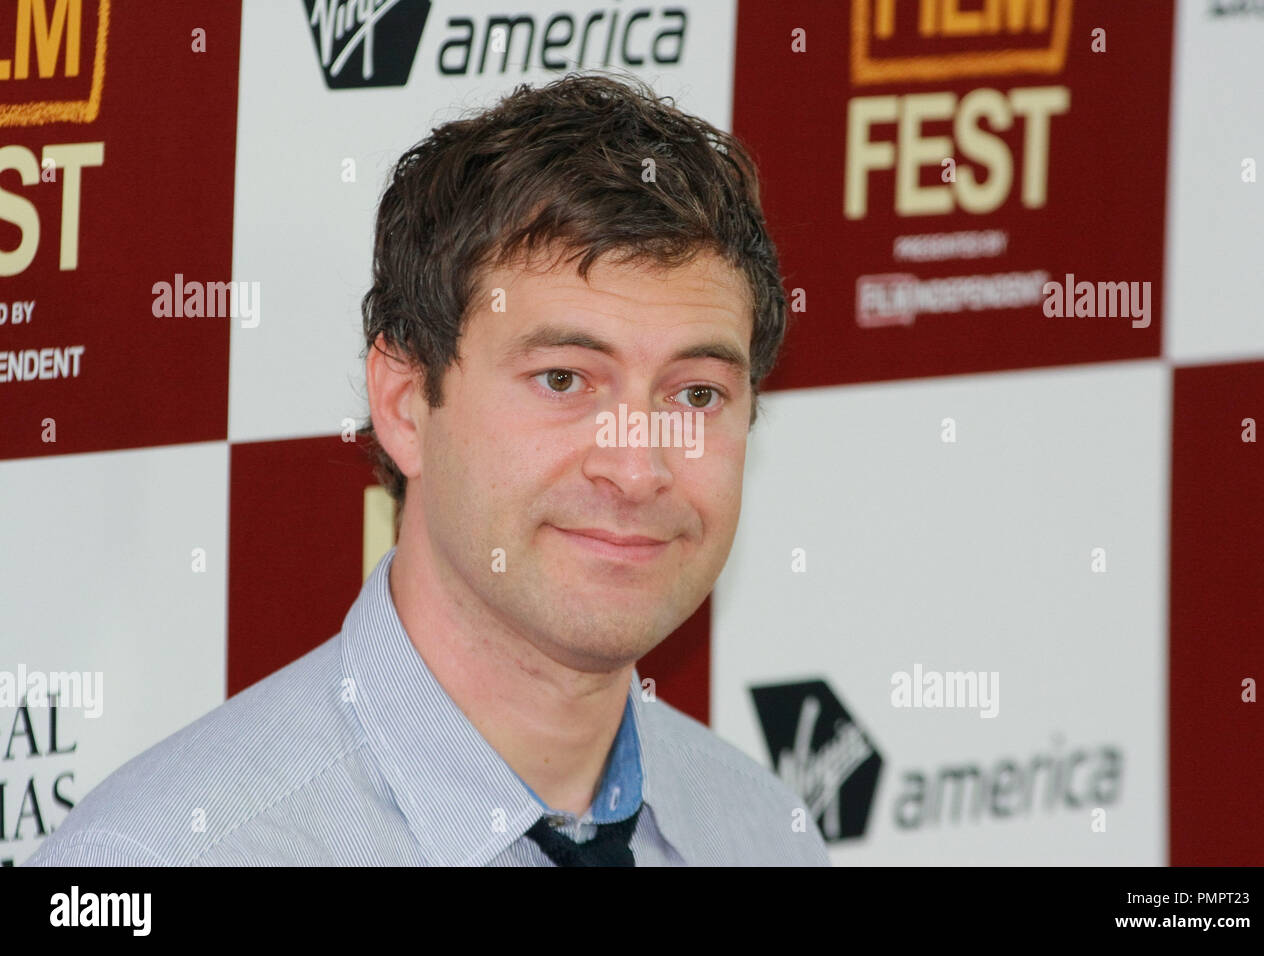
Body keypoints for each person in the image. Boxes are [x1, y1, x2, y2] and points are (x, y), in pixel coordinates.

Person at [25, 72, 830, 867]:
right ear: (406, 403)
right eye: (562, 380)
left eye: (695, 393)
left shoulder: (758, 830)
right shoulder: (155, 863)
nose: (636, 466)